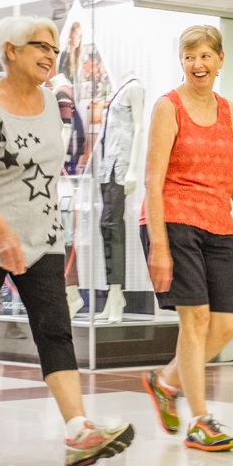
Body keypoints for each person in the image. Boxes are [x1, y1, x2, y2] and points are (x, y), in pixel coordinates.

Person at [0, 16, 134, 466]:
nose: (49, 54)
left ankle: (78, 430)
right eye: (38, 45)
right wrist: (2, 234)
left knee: (56, 332)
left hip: (42, 241)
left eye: (54, 48)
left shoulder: (51, 103)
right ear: (10, 51)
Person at [139, 25, 233, 452]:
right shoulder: (168, 107)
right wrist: (158, 245)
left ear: (220, 60)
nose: (197, 64)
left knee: (228, 324)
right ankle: (200, 419)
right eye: (188, 56)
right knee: (194, 320)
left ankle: (165, 382)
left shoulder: (227, 110)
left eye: (204, 56)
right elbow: (152, 180)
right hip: (174, 219)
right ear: (182, 61)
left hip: (215, 223)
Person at [95, 72, 146, 323]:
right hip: (107, 167)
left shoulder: (134, 87)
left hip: (120, 167)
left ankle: (116, 294)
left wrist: (133, 169)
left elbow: (139, 128)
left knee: (113, 227)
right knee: (106, 228)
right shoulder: (120, 89)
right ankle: (113, 293)